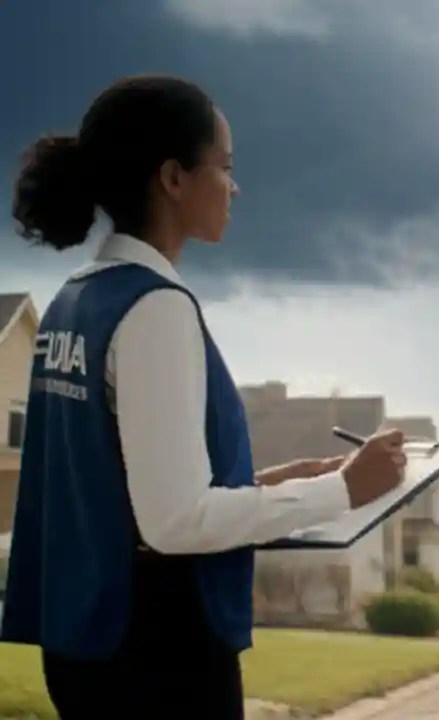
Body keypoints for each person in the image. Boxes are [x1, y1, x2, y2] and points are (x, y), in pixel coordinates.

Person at [0, 75, 407, 719]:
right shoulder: (154, 307)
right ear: (173, 178)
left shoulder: (74, 300)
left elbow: (126, 486)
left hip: (86, 644)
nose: (234, 186)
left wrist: (273, 483)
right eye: (224, 165)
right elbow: (173, 522)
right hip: (159, 657)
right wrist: (342, 492)